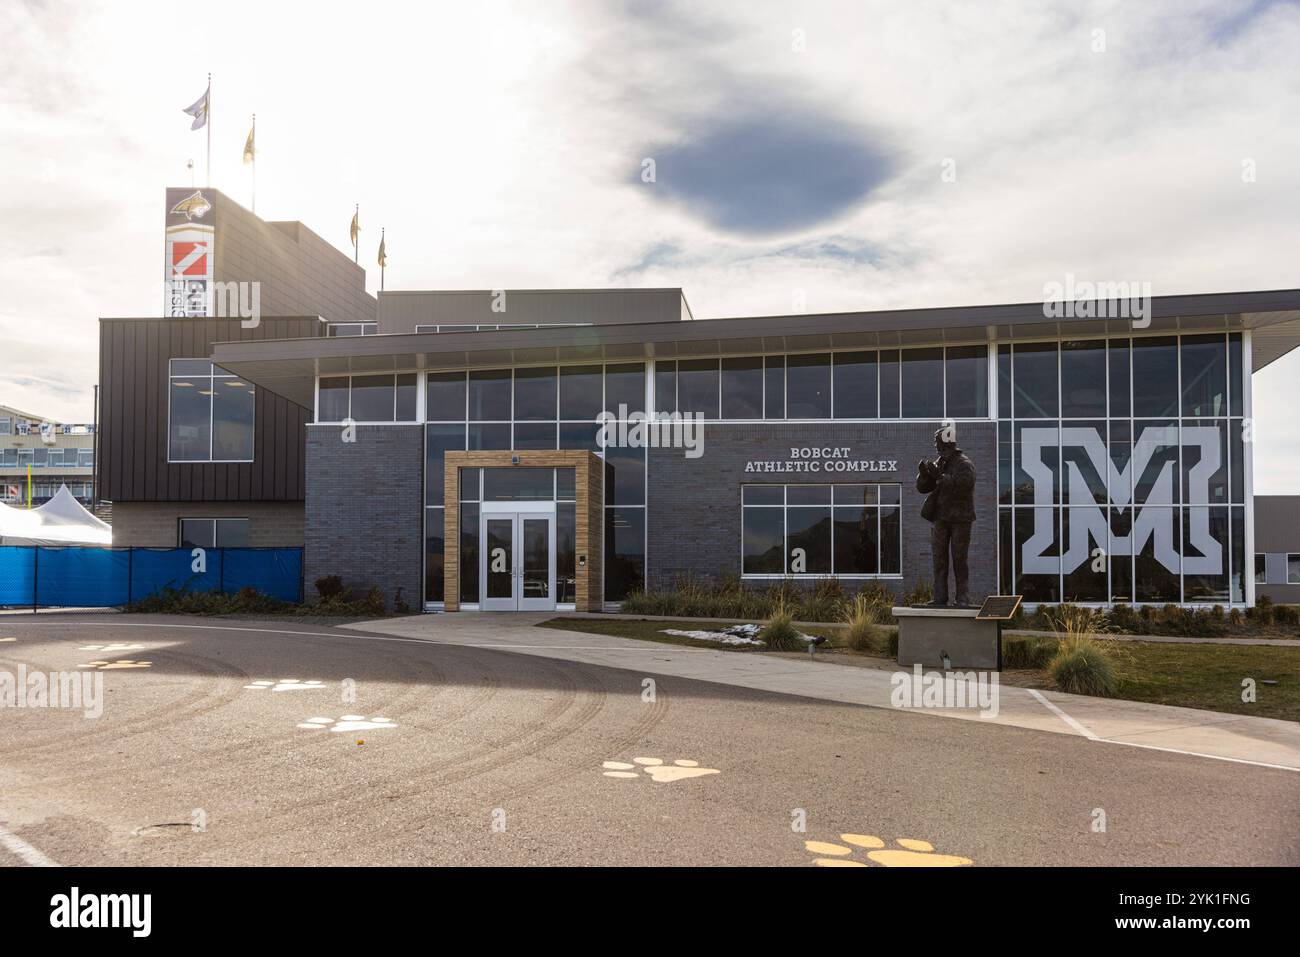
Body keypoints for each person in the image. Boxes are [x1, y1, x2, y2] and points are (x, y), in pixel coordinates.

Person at [916, 427, 977, 606]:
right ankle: (940, 597)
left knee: (959, 560)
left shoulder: (964, 463)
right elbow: (924, 488)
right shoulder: (941, 462)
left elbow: (965, 484)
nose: (935, 446)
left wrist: (941, 477)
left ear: (946, 442)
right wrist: (924, 475)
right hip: (940, 518)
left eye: (937, 442)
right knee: (939, 559)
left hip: (960, 519)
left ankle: (962, 599)